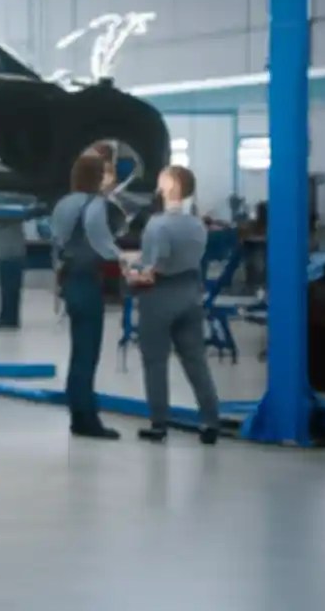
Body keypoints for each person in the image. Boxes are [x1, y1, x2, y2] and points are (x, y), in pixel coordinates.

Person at [124, 165, 220, 444]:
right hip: (190, 295)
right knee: (196, 361)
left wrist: (130, 271)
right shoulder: (197, 225)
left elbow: (155, 267)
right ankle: (210, 420)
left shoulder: (158, 225)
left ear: (166, 189)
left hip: (159, 298)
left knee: (155, 361)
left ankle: (158, 424)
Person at [51, 153, 122, 440]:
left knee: (78, 348)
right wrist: (128, 260)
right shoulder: (94, 205)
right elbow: (103, 243)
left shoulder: (63, 203)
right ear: (97, 176)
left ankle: (77, 413)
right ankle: (87, 419)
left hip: (70, 281)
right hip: (87, 280)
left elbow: (57, 240)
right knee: (88, 351)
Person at [0, 217, 26, 329]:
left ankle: (9, 319)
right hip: (13, 252)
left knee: (8, 289)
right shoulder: (13, 210)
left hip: (8, 253)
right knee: (10, 289)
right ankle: (8, 317)